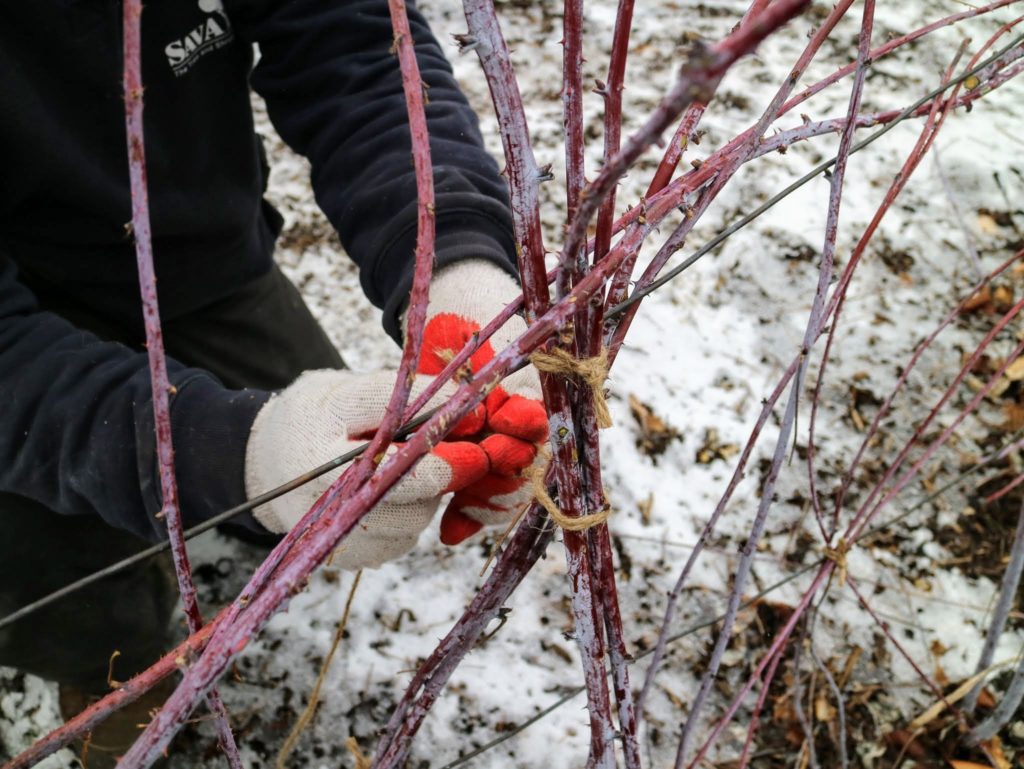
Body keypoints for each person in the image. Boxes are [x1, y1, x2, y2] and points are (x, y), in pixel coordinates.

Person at [0, 0, 546, 758]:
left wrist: (457, 261)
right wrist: (234, 454)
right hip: (17, 330)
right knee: (56, 581)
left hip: (203, 261)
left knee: (335, 459)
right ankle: (104, 665)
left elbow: (352, 40)